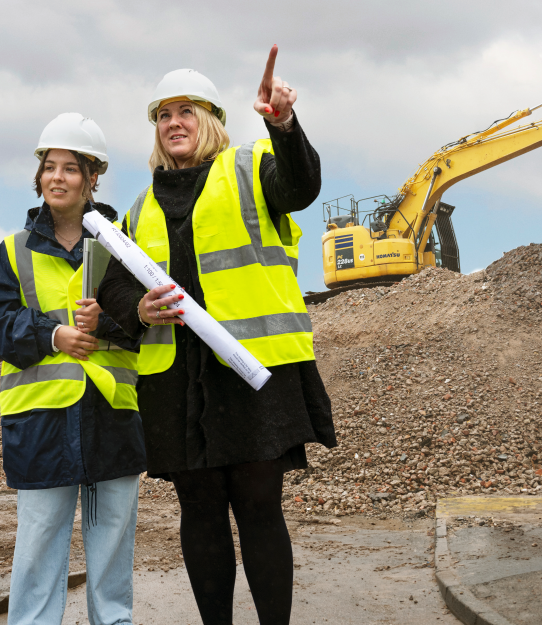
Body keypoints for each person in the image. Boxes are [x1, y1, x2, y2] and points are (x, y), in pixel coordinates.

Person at [96, 46, 337, 625]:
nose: (173, 123)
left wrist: (282, 123)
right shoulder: (140, 205)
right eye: (163, 115)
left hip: (254, 373)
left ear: (212, 121)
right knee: (200, 512)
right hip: (177, 383)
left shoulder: (252, 168)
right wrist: (142, 309)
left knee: (258, 508)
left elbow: (300, 186)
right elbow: (113, 289)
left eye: (186, 111)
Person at [0, 112, 145, 625]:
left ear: (93, 178)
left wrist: (109, 323)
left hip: (111, 418)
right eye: (50, 167)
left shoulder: (123, 243)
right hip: (42, 425)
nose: (57, 177)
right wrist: (54, 334)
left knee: (113, 552)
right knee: (38, 547)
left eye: (71, 168)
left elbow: (147, 318)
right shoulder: (14, 250)